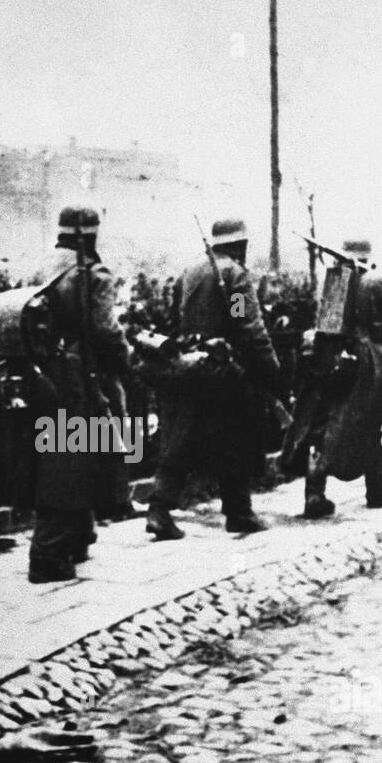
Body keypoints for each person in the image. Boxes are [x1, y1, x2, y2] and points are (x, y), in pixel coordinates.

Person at [146, 218, 279, 540]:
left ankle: (159, 510)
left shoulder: (190, 272)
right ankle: (239, 512)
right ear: (239, 245)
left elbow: (176, 318)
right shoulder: (234, 274)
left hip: (190, 365)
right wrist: (269, 364)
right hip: (224, 370)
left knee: (180, 439)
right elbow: (245, 323)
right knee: (238, 438)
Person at [24, 205, 131, 581]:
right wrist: (125, 356)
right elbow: (106, 331)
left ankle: (79, 538)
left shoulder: (40, 266)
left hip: (42, 379)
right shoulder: (93, 273)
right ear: (91, 235)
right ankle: (48, 554)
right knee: (71, 462)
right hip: (82, 383)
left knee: (68, 456)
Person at [283, 240, 382, 518]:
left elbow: (327, 324)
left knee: (321, 422)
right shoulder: (372, 280)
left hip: (331, 356)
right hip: (371, 359)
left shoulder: (335, 280)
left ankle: (314, 492)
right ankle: (379, 485)